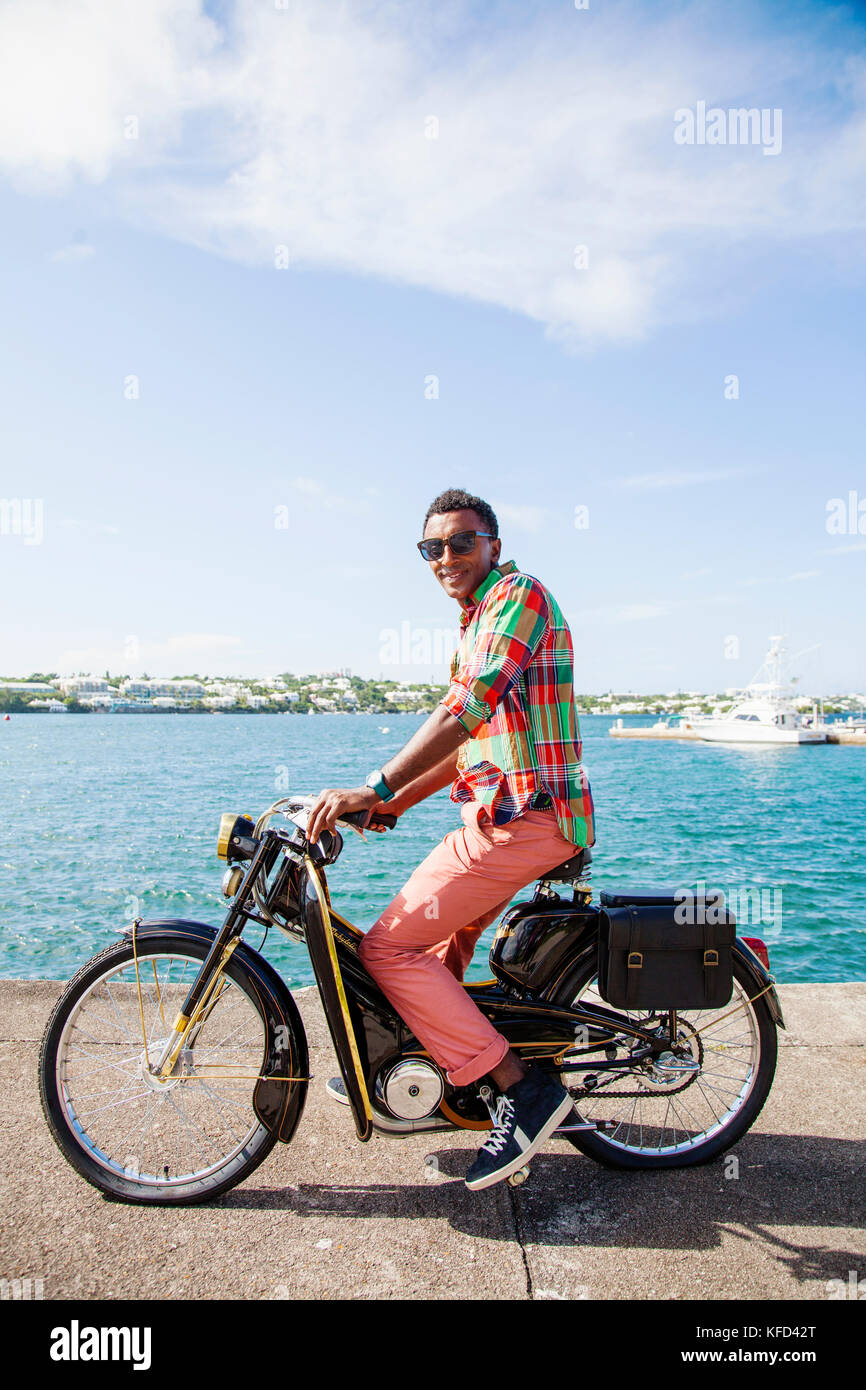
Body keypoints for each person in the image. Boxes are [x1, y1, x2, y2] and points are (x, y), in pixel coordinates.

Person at [306, 487, 595, 1190]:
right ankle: (458, 1085)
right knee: (434, 956)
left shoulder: (514, 597)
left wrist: (374, 786)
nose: (446, 557)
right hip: (503, 815)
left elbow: (465, 709)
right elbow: (468, 750)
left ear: (492, 544)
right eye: (432, 548)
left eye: (462, 542)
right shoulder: (477, 621)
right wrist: (394, 805)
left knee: (386, 948)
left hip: (526, 819)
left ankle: (524, 1092)